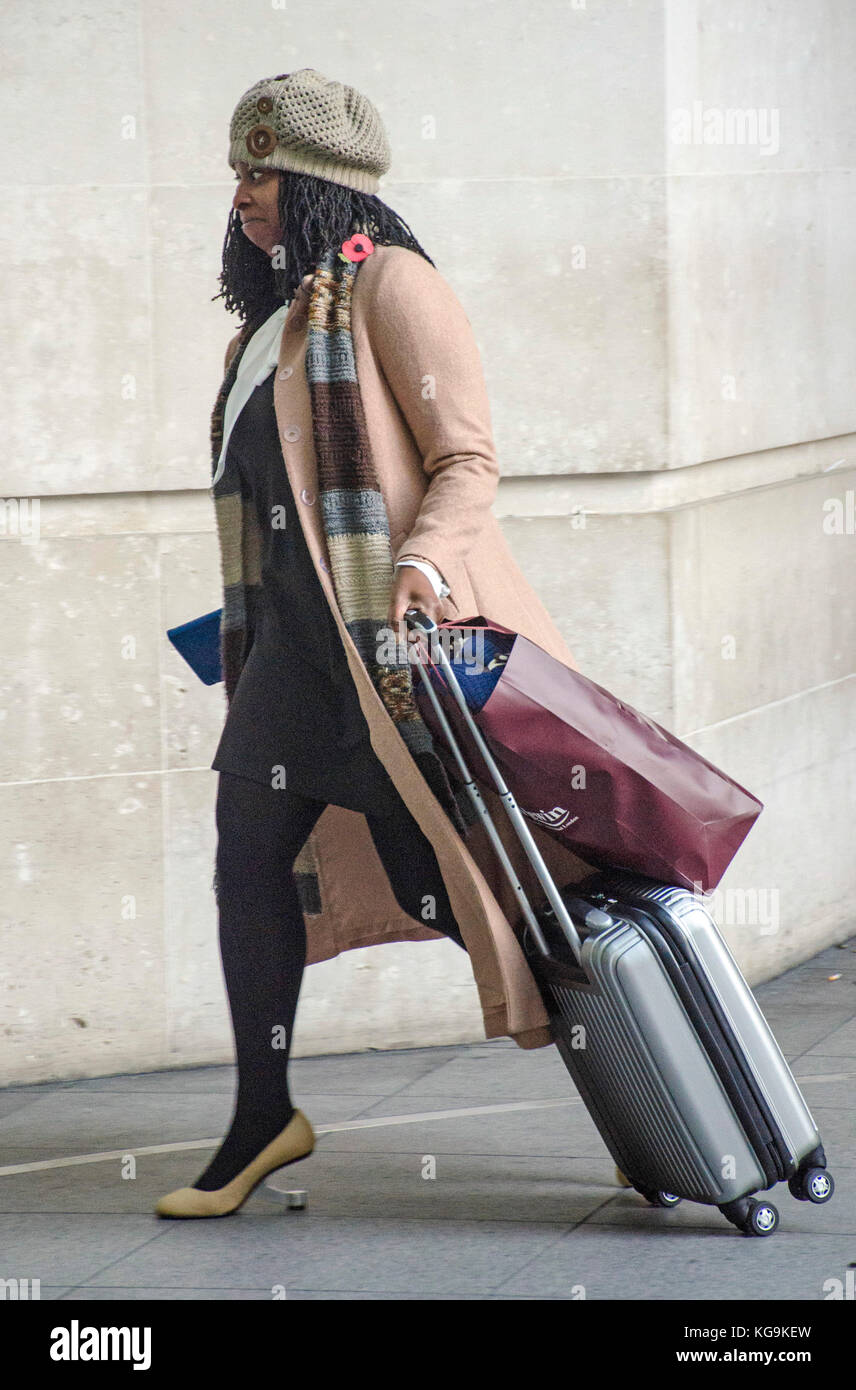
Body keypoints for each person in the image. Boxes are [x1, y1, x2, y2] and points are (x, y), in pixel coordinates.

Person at [155, 68, 475, 1219]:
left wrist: (426, 566)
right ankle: (262, 1115)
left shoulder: (392, 287)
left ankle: (641, 1078)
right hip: (290, 666)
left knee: (459, 890)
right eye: (238, 172)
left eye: (263, 174)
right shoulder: (267, 329)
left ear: (322, 187)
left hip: (387, 660)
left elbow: (467, 460)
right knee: (247, 863)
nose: (243, 194)